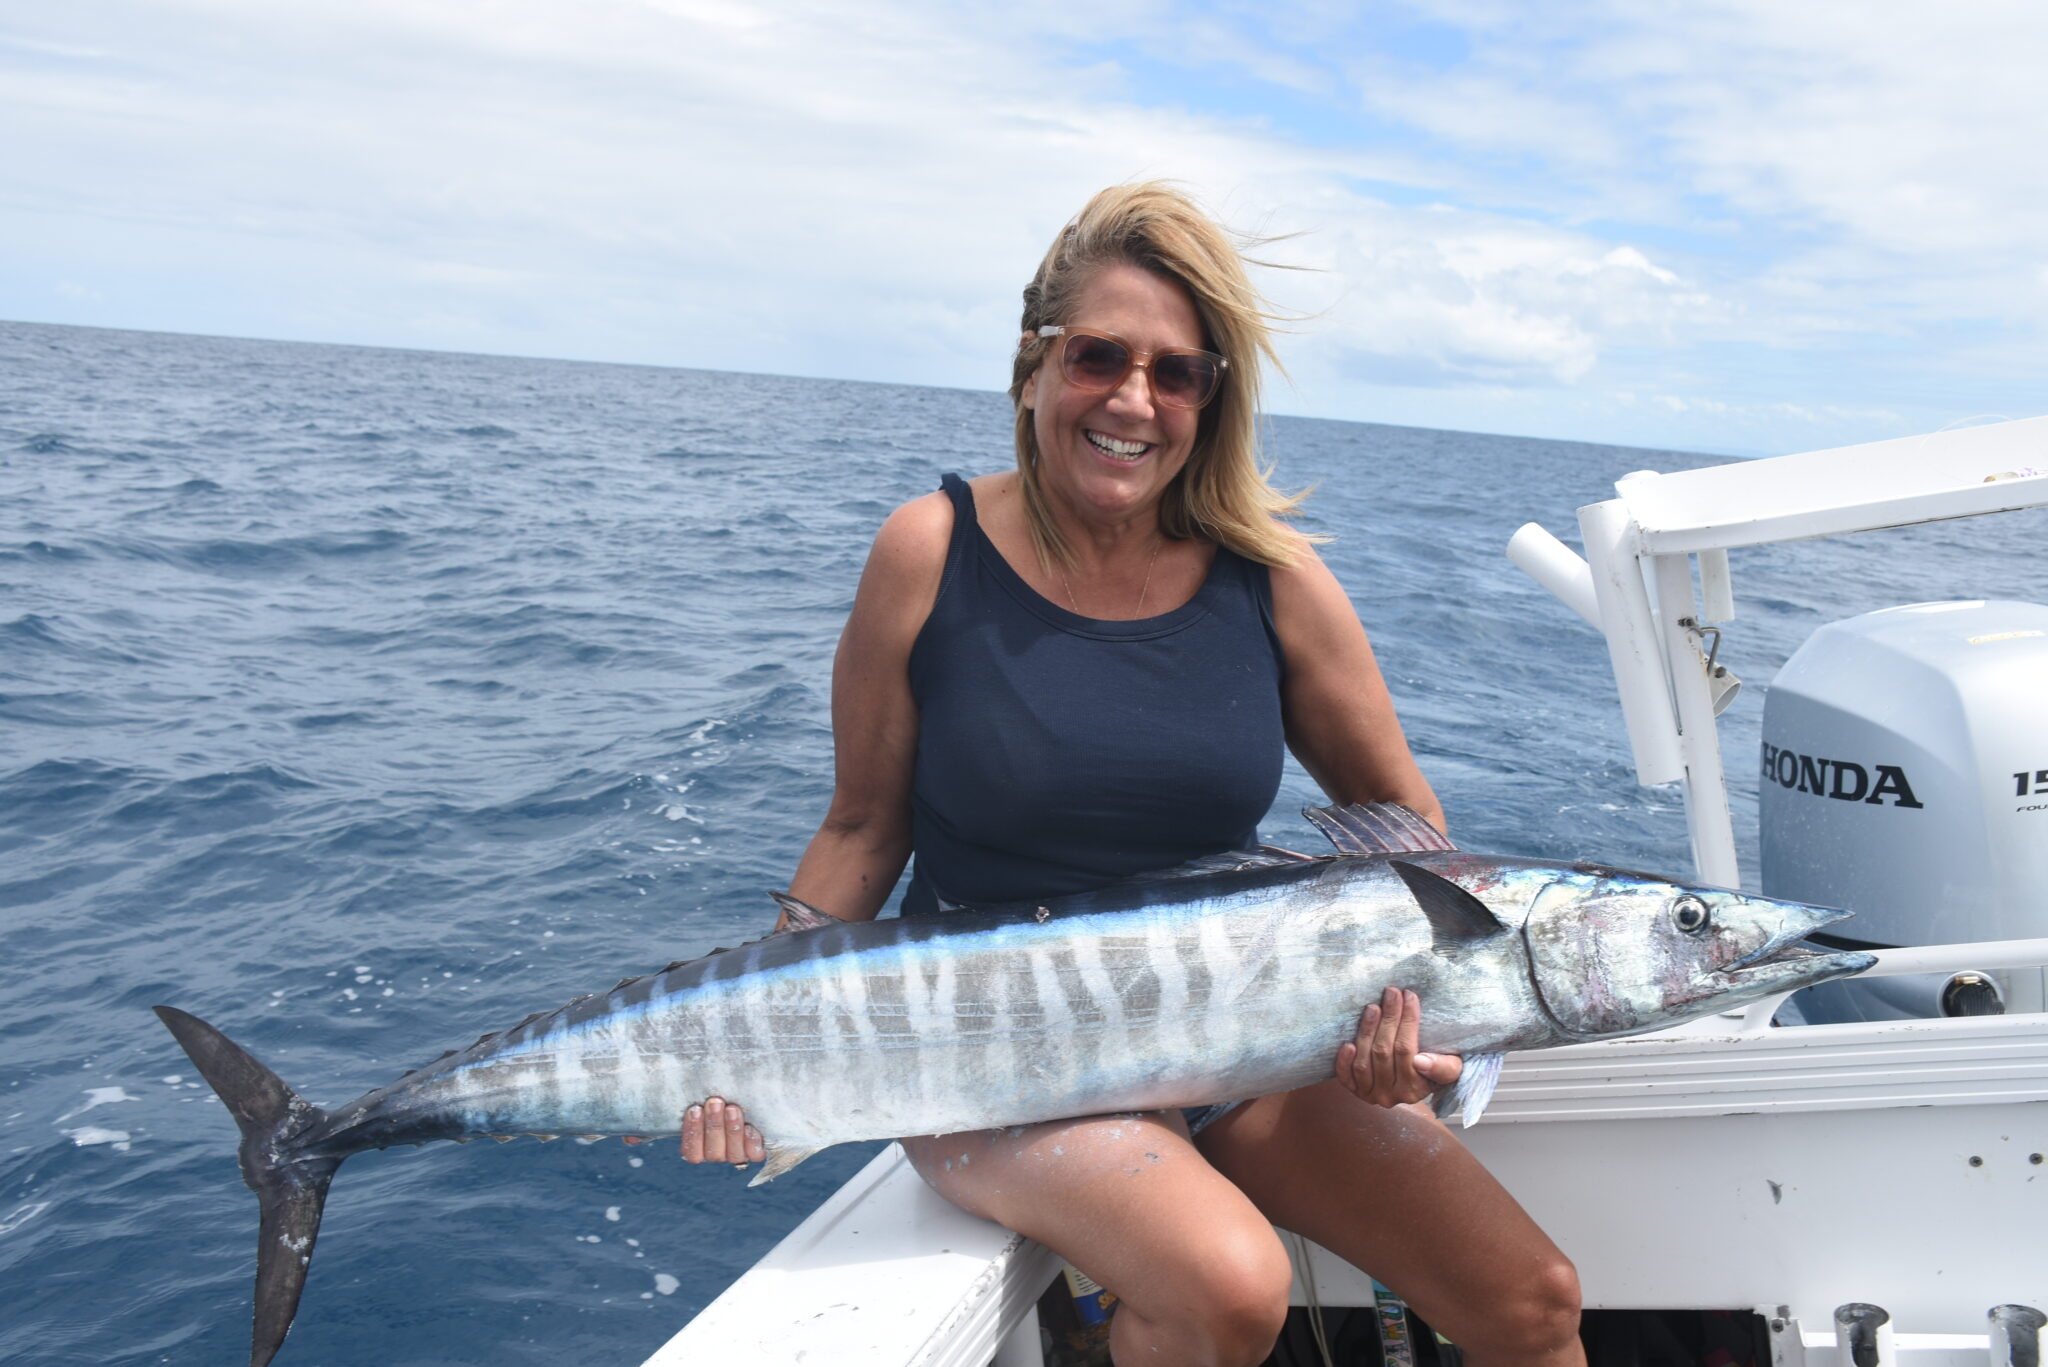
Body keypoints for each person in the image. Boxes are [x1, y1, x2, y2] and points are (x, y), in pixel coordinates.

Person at [677, 183, 1583, 1367]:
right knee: (1227, 1284)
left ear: (1212, 400)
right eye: (1099, 356)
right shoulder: (928, 550)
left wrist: (1412, 1026)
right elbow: (859, 828)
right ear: (1033, 368)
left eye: (1177, 373)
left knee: (1532, 1299)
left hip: (1246, 1038)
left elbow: (1411, 840)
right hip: (988, 1055)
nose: (1132, 400)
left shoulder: (1275, 580)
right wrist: (748, 1044)